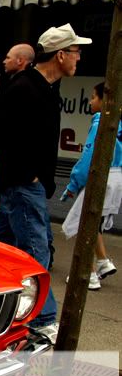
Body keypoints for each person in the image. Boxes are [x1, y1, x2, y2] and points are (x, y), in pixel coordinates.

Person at [0, 23, 92, 343]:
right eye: (75, 52)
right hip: (22, 185)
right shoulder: (24, 88)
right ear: (60, 55)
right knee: (35, 251)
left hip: (26, 185)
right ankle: (43, 317)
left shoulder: (45, 89)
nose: (79, 58)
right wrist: (25, 176)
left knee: (0, 251)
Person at [60, 81, 122, 290]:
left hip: (101, 177)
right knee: (93, 223)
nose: (90, 101)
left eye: (94, 97)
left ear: (105, 101)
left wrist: (74, 182)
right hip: (117, 178)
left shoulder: (100, 122)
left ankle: (87, 274)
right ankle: (103, 262)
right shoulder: (119, 124)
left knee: (83, 223)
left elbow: (89, 157)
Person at [0, 44, 36, 225]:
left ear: (20, 61)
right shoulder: (22, 85)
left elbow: (7, 128)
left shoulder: (20, 87)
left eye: (8, 57)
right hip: (9, 167)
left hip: (10, 170)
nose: (4, 61)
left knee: (5, 220)